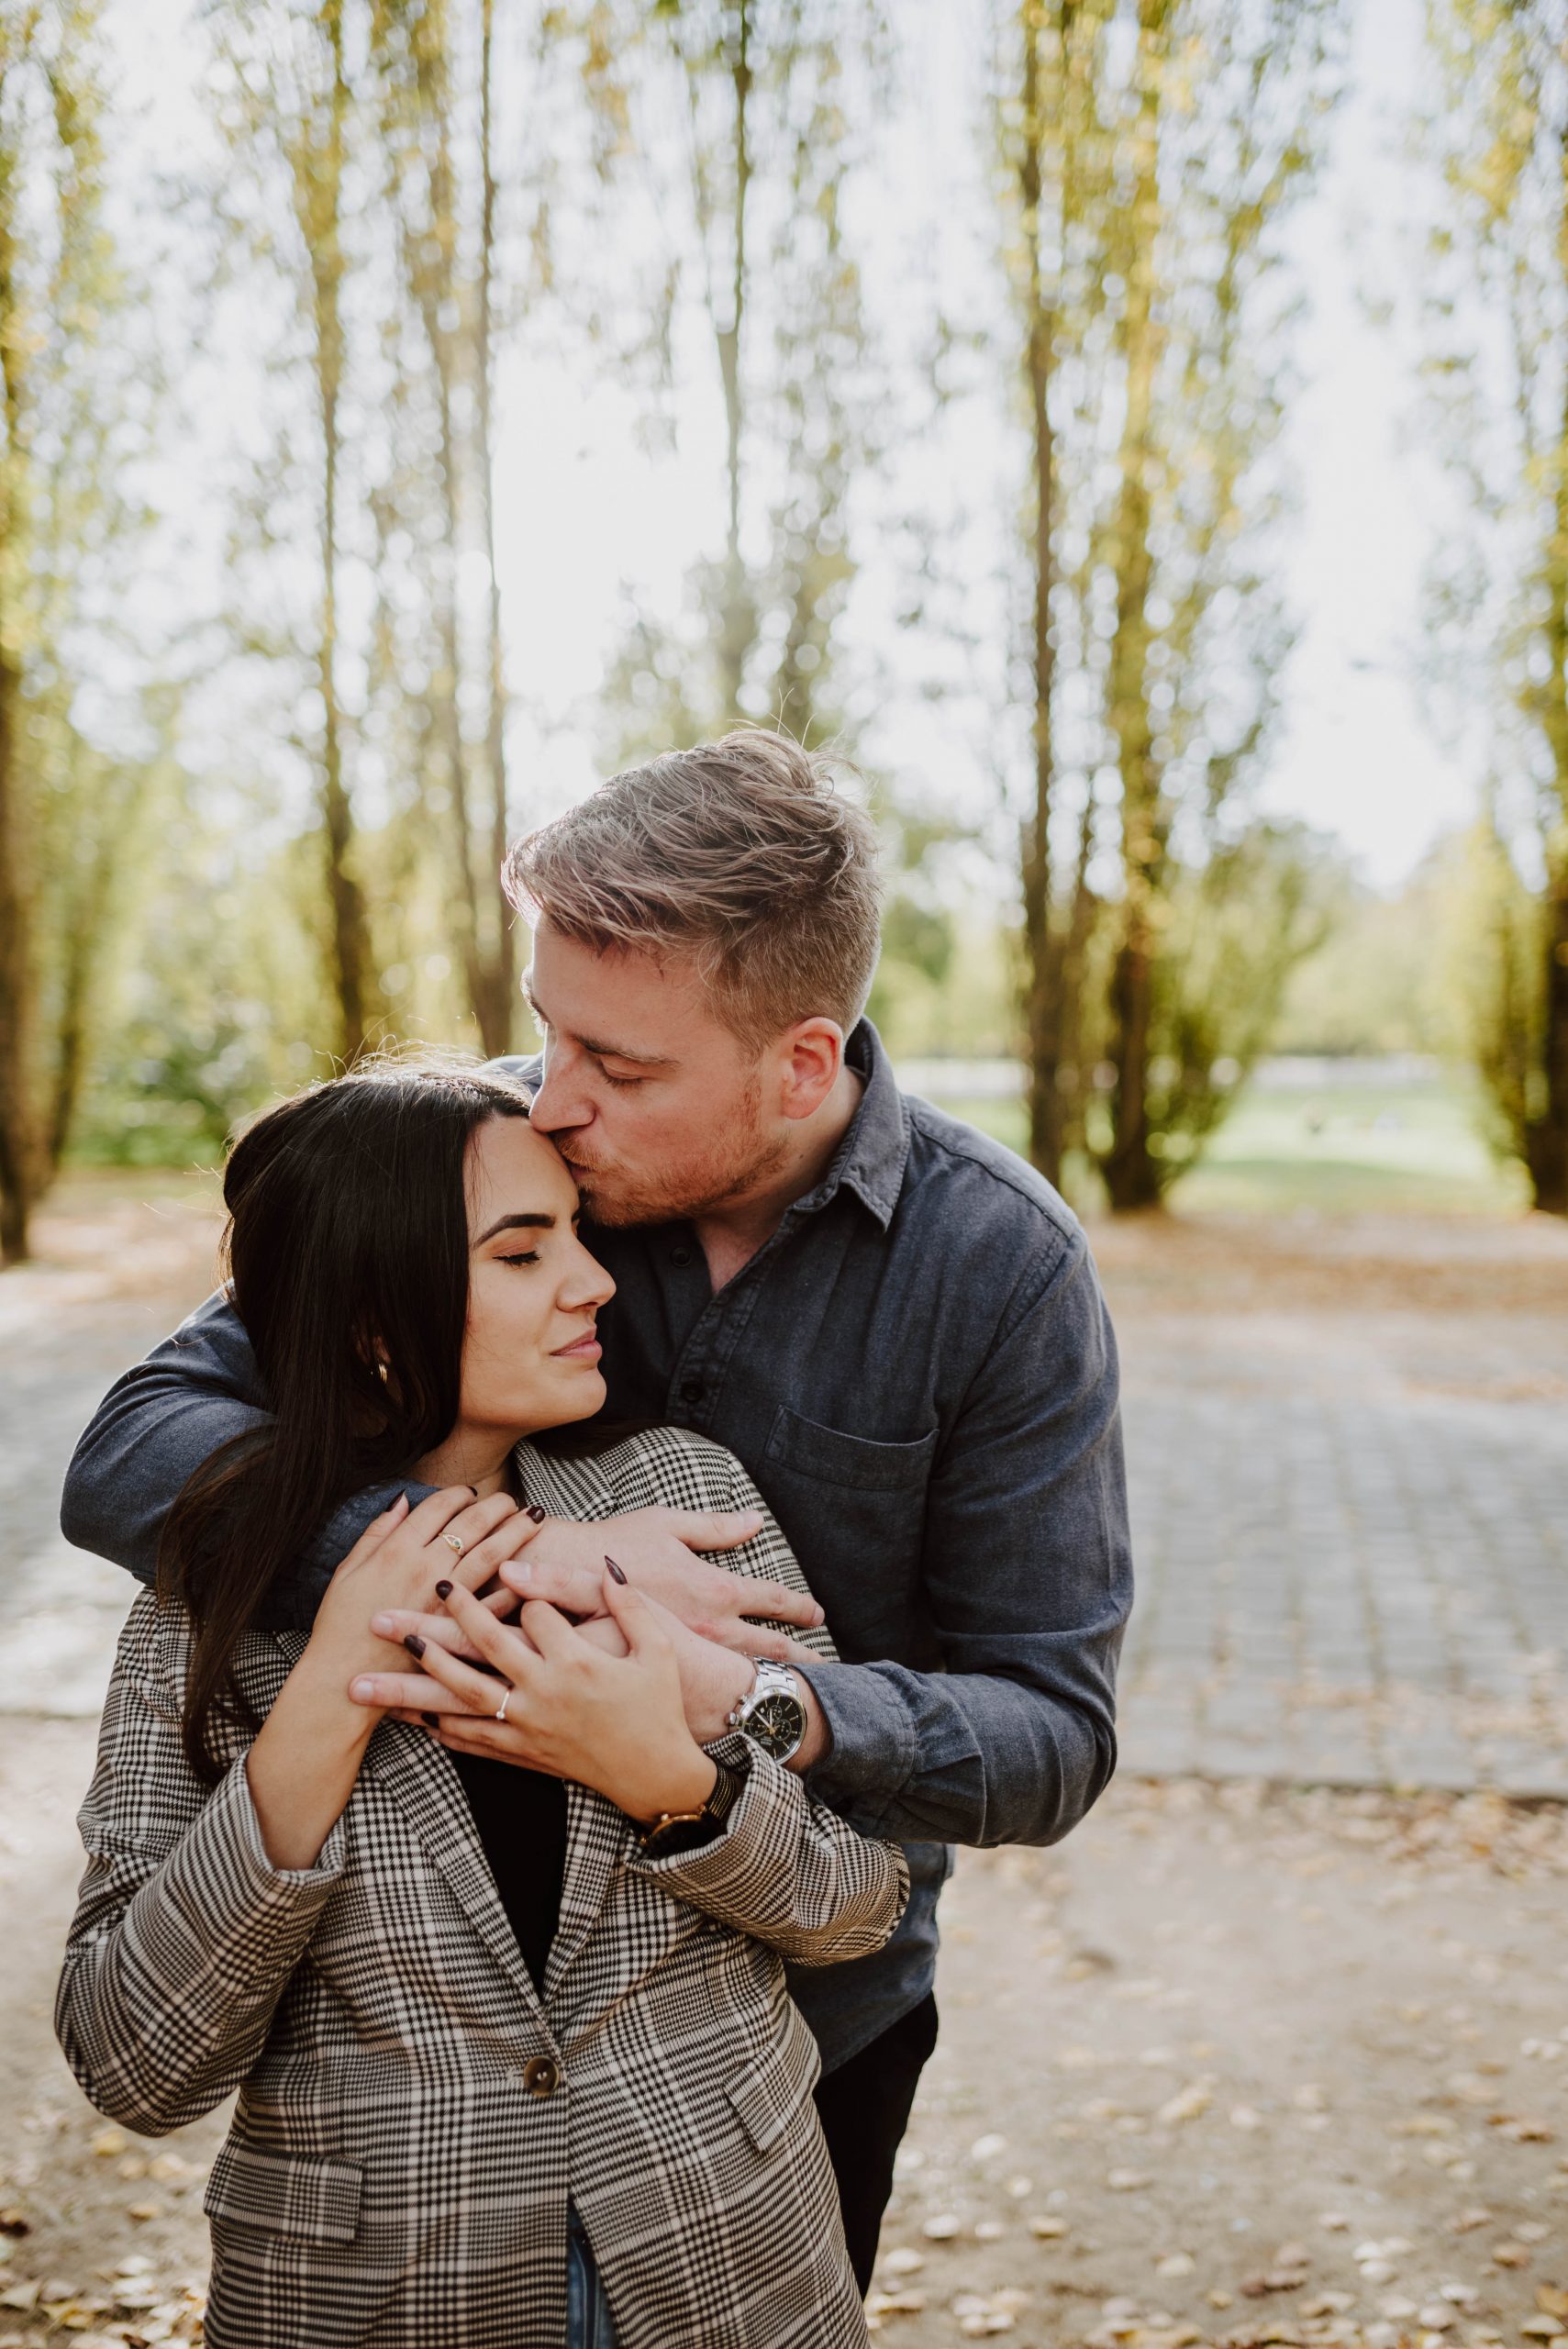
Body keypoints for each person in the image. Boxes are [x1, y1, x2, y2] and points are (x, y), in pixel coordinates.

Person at [61, 729, 1135, 2291]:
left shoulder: (999, 1272)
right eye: (548, 1035)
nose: (554, 1101)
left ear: (800, 1063)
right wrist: (491, 1561)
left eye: (619, 1069)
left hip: (792, 2055)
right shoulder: (474, 1163)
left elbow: (1050, 1734)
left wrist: (731, 1702)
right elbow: (137, 1444)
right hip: (399, 2159)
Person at [56, 1060, 907, 2349]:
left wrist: (671, 1786)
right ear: (373, 1323)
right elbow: (135, 2062)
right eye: (523, 1254)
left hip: (732, 2266)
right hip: (374, 2301)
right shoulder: (211, 1596)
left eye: (577, 1234)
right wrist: (328, 1703)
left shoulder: (682, 1507)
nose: (596, 1284)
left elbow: (860, 1906)